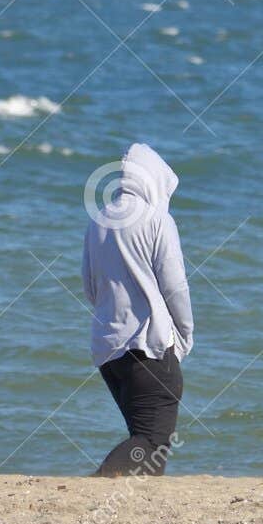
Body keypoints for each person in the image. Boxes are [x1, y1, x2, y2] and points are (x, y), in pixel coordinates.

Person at [81, 143, 194, 475]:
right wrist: (184, 333)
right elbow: (175, 286)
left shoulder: (98, 220)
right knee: (152, 441)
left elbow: (90, 286)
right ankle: (95, 484)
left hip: (109, 354)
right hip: (150, 347)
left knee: (143, 444)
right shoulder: (157, 219)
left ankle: (126, 498)